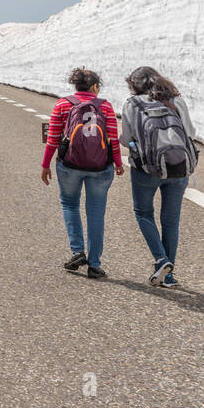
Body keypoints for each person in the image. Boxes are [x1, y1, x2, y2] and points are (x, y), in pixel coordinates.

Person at [40, 67, 124, 278]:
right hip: (100, 167)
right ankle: (94, 264)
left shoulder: (62, 104)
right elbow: (113, 139)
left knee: (69, 204)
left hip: (69, 165)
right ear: (95, 86)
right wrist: (118, 163)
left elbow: (53, 137)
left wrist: (45, 164)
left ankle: (77, 251)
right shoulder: (105, 106)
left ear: (75, 85)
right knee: (96, 212)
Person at [121, 67, 197, 289]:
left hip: (146, 169)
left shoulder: (132, 104)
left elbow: (125, 139)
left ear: (134, 84)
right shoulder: (175, 100)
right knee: (171, 221)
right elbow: (191, 133)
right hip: (178, 167)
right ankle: (169, 276)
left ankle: (162, 260)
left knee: (144, 213)